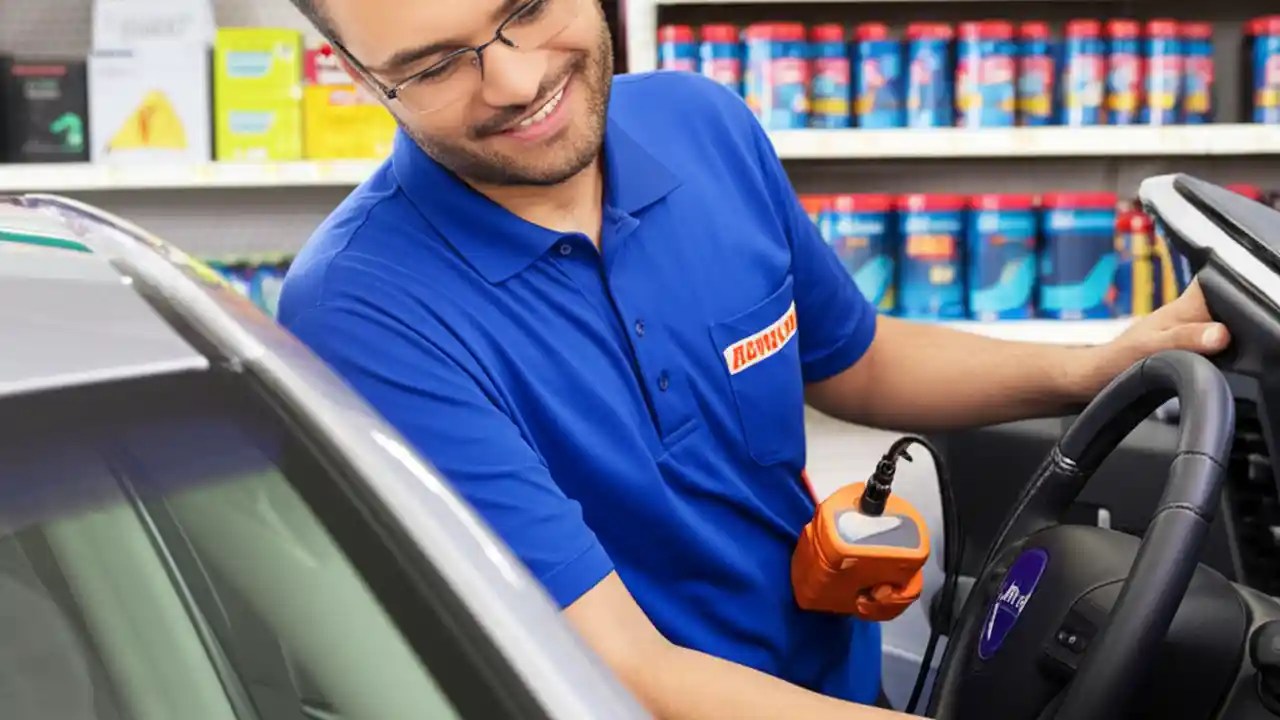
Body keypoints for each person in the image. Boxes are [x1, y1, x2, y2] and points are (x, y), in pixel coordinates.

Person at [276, 0, 1230, 716]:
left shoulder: (704, 124)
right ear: (360, 77)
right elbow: (624, 668)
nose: (517, 82)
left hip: (837, 683)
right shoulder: (360, 306)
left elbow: (855, 359)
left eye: (525, 8)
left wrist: (1100, 364)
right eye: (438, 64)